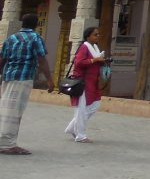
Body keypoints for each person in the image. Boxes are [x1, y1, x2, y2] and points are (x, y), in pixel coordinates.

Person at [1, 13, 56, 155]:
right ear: (36, 24)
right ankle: (7, 144)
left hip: (8, 77)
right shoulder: (36, 38)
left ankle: (5, 141)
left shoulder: (11, 38)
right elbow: (41, 59)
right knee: (15, 111)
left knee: (5, 109)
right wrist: (49, 79)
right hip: (23, 77)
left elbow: (2, 59)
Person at [64, 27, 110, 144]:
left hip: (92, 82)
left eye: (98, 34)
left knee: (94, 105)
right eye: (95, 34)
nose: (98, 36)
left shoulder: (94, 47)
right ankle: (80, 135)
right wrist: (94, 60)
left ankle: (72, 128)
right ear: (88, 36)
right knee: (81, 109)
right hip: (82, 82)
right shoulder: (84, 47)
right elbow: (79, 62)